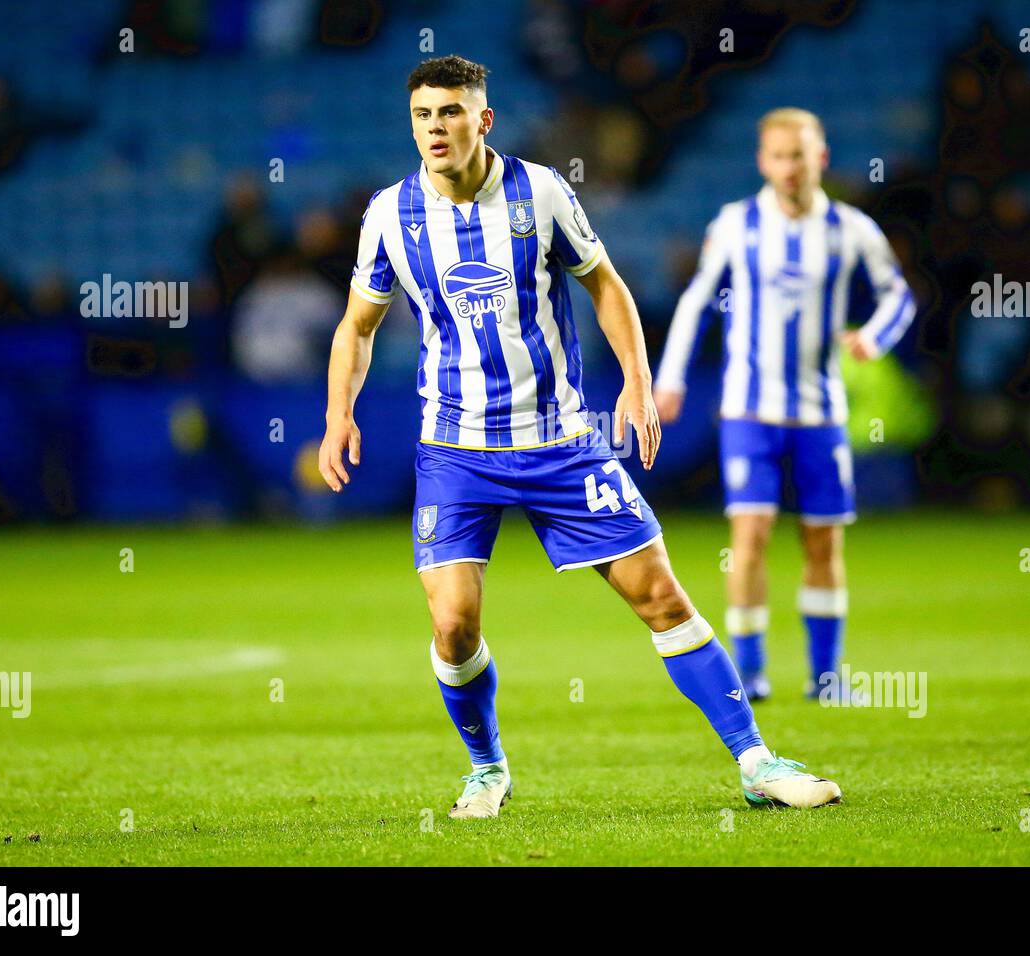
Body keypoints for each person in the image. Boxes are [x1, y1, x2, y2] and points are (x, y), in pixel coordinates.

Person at [318, 57, 841, 817]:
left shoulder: (542, 191)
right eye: (424, 115)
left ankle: (758, 762)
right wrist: (340, 414)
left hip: (562, 441)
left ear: (482, 120)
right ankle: (487, 767)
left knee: (661, 597)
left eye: (452, 112)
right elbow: (356, 327)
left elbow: (604, 284)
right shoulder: (388, 215)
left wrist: (635, 377)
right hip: (455, 450)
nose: (437, 127)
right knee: (453, 622)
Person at [655, 108, 915, 702]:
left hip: (821, 413)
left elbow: (898, 295)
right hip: (749, 410)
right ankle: (749, 673)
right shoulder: (736, 223)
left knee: (823, 541)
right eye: (778, 156)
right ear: (762, 162)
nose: (789, 167)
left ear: (820, 158)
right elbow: (697, 301)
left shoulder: (851, 229)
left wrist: (874, 337)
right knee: (750, 535)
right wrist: (670, 378)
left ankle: (826, 678)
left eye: (799, 155)